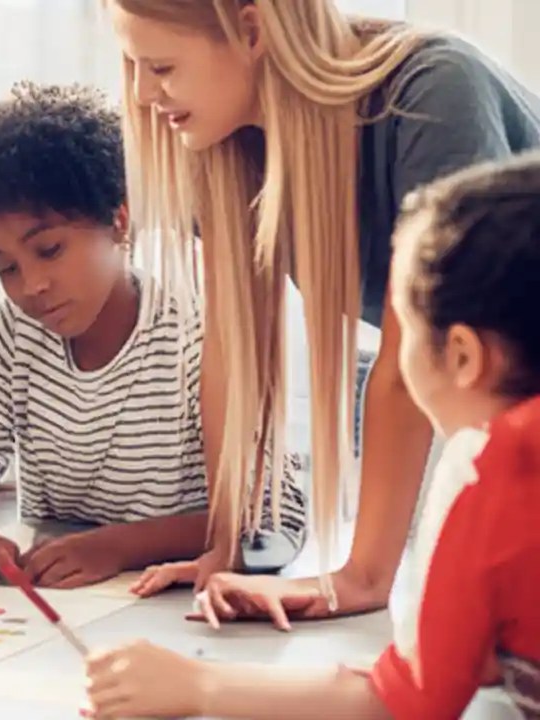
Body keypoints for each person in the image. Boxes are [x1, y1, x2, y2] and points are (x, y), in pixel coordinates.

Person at [109, 0, 540, 620]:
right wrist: (226, 547)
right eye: (134, 67)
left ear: (252, 29)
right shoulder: (224, 141)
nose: (145, 94)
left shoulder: (435, 93)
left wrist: (361, 578)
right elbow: (231, 350)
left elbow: (410, 363)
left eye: (162, 67)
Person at [84, 152, 540, 720]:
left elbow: (400, 704)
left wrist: (196, 684)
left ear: (464, 355)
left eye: (406, 332)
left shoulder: (489, 466)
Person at [0, 82, 306, 589]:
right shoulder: (18, 333)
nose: (32, 286)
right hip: (62, 617)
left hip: (182, 613)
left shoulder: (197, 334)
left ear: (118, 222)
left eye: (49, 250)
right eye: (5, 267)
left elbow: (277, 518)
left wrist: (118, 546)